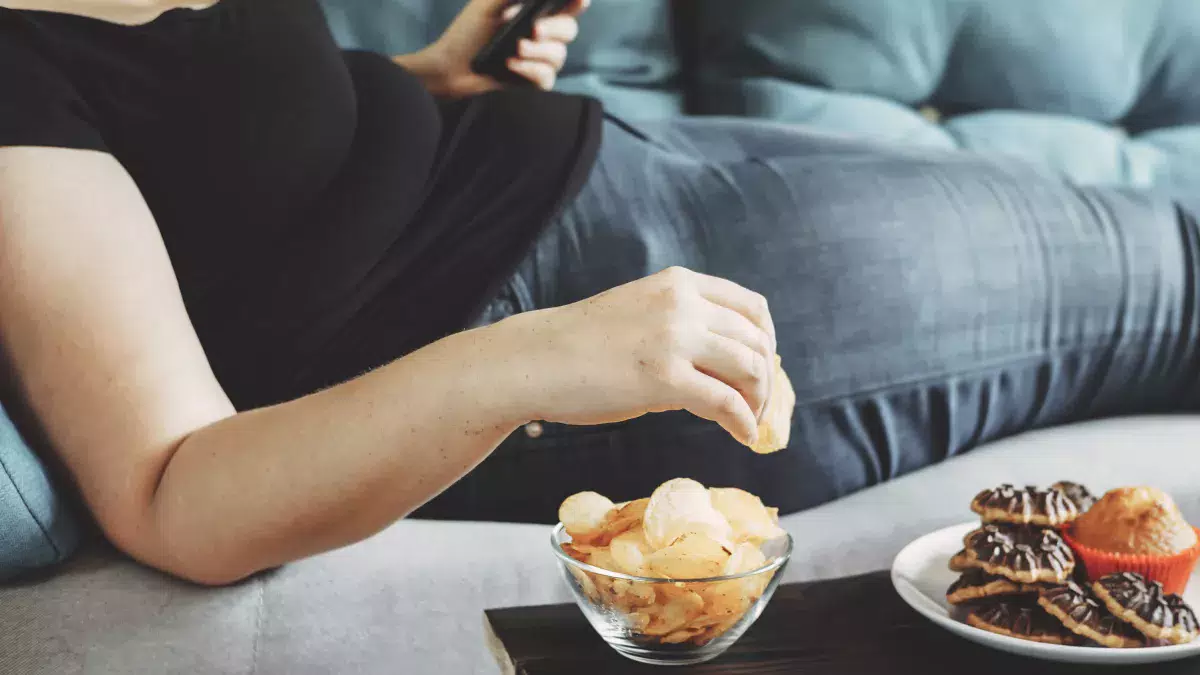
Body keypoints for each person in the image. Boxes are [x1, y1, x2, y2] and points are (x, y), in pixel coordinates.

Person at [1, 0, 1198, 586]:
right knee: (1182, 284)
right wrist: (537, 357)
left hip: (606, 156)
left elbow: (226, 166)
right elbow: (170, 494)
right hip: (568, 290)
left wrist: (427, 77)